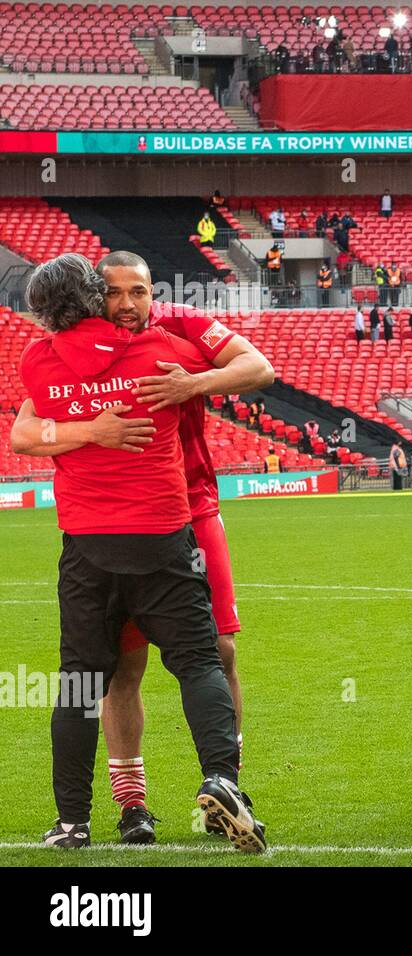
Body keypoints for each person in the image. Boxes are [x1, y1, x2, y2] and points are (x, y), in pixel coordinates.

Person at [12, 250, 273, 844]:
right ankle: (158, 798)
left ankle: (74, 820)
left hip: (104, 537)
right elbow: (24, 433)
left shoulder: (39, 357)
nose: (127, 304)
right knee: (189, 661)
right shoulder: (163, 350)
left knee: (87, 675)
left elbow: (28, 430)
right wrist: (99, 426)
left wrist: (194, 384)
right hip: (163, 529)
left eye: (139, 292)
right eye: (113, 293)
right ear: (91, 296)